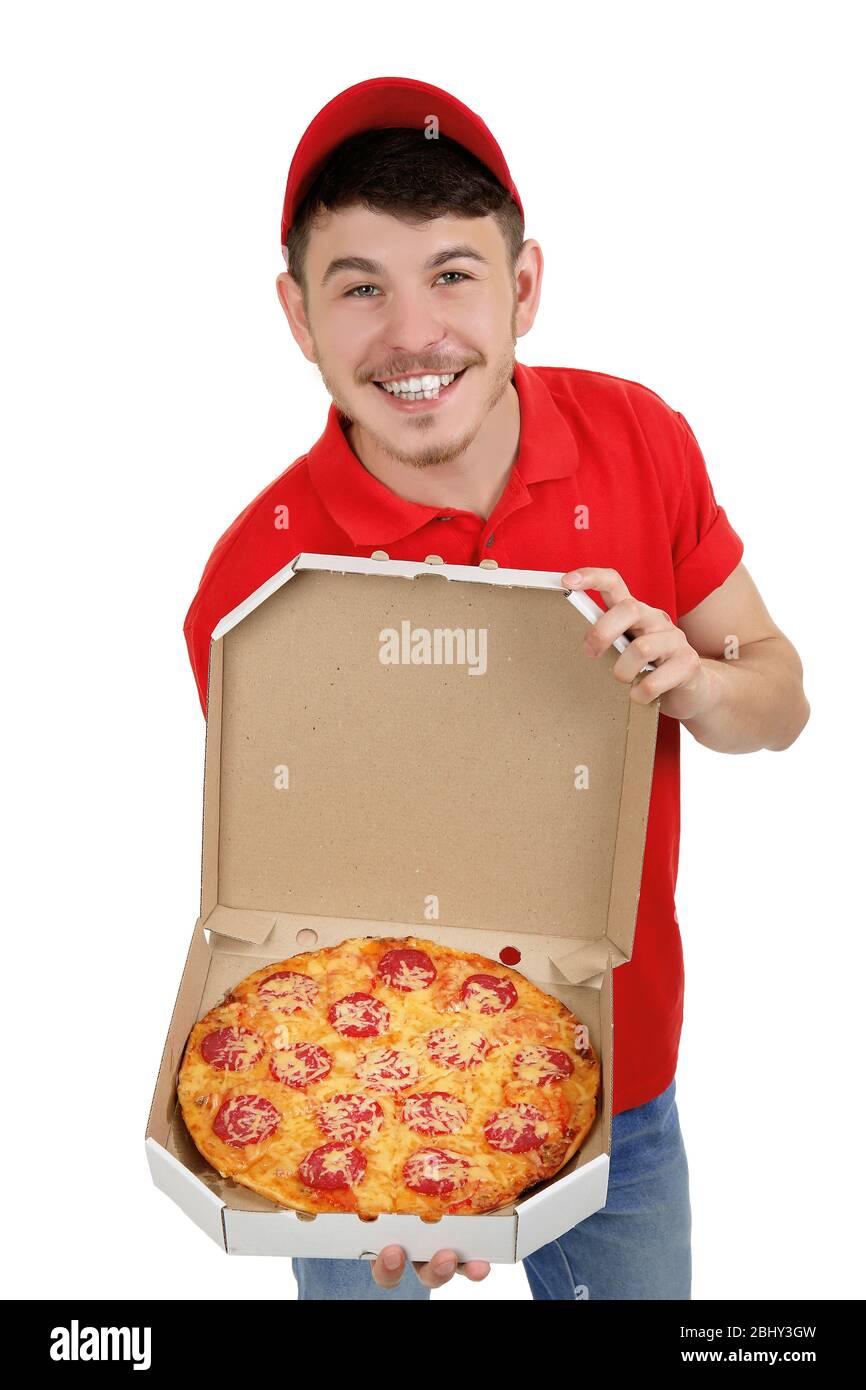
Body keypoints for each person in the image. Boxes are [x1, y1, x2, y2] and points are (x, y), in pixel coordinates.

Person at [183, 76, 810, 1300]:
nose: (413, 335)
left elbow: (778, 698)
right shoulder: (249, 582)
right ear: (296, 315)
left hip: (623, 1082)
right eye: (359, 286)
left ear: (523, 287)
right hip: (342, 1109)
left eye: (452, 273)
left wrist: (690, 681)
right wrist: (395, 1142)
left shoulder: (639, 436)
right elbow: (304, 904)